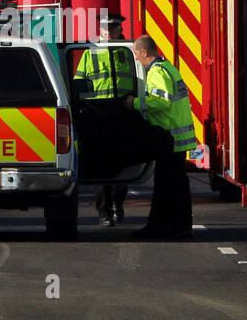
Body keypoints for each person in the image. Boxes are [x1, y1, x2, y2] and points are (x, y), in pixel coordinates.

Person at [127, 34, 197, 238]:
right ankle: (176, 227)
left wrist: (135, 103)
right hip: (176, 138)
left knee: (166, 187)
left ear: (144, 52)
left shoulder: (157, 72)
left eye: (137, 55)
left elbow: (161, 102)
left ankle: (161, 228)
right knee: (175, 186)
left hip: (168, 138)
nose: (137, 59)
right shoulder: (169, 68)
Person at [75, 13, 136, 226]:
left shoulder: (128, 53)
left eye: (112, 28)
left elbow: (139, 82)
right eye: (104, 28)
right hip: (97, 115)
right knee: (101, 167)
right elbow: (78, 83)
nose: (108, 32)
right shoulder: (89, 53)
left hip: (123, 113)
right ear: (98, 31)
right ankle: (104, 212)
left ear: (120, 30)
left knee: (123, 164)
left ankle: (118, 204)